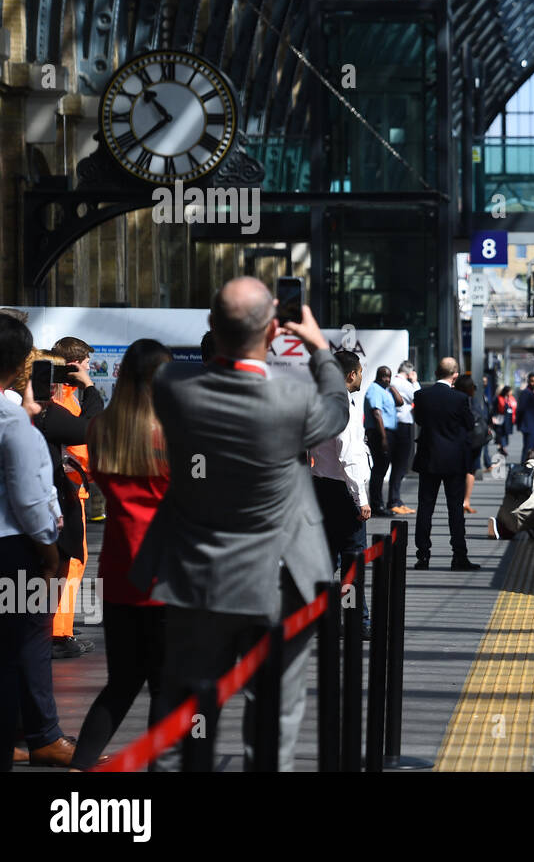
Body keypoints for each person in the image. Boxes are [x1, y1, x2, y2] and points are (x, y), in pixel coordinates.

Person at [128, 277, 348, 771]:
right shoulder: (292, 400)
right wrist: (319, 349)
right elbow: (336, 410)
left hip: (197, 576)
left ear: (210, 325)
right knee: (273, 716)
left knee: (182, 714)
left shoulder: (173, 390)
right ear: (274, 329)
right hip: (281, 578)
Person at [69, 339, 173, 771]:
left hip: (118, 568)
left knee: (121, 683)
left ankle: (80, 767)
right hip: (167, 573)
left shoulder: (103, 429)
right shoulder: (176, 434)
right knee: (167, 689)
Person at [0, 315, 63, 772]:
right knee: (28, 643)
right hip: (16, 551)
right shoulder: (15, 426)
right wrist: (49, 552)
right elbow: (30, 498)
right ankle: (41, 735)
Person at [310, 350, 372, 639]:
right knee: (352, 558)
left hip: (320, 487)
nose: (361, 376)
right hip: (342, 491)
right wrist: (362, 499)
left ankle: (316, 616)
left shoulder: (319, 400)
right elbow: (348, 457)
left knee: (324, 558)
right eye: (360, 371)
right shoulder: (341, 406)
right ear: (351, 375)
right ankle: (357, 620)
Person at [48, 337, 103, 657]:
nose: (88, 367)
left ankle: (59, 626)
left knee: (64, 563)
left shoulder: (62, 397)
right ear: (73, 365)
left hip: (67, 488)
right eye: (84, 362)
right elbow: (85, 439)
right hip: (69, 490)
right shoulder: (66, 401)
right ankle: (58, 632)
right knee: (71, 564)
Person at [411, 357, 478, 571]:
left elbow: (419, 421)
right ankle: (459, 556)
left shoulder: (421, 395)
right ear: (455, 376)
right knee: (455, 509)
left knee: (425, 508)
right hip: (454, 462)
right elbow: (469, 424)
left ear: (436, 372)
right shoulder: (459, 399)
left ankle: (423, 556)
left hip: (429, 459)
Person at [486, 450, 534, 542]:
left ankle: (499, 527)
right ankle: (531, 525)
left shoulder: (515, 469)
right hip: (523, 515)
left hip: (503, 514)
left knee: (509, 529)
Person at [363, 366, 397, 517]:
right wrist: (383, 438)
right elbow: (377, 414)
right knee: (379, 469)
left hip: (385, 433)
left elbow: (400, 403)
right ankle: (377, 505)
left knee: (382, 469)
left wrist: (393, 389)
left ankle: (378, 503)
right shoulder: (375, 389)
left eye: (389, 376)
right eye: (384, 376)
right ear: (378, 376)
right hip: (379, 433)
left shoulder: (385, 390)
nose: (387, 379)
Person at [386, 362, 417, 515]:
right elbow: (418, 397)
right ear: (409, 372)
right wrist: (415, 381)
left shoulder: (391, 382)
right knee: (401, 464)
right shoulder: (405, 384)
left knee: (397, 465)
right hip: (404, 424)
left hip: (392, 425)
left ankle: (396, 499)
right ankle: (394, 500)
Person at [453, 374, 487, 514]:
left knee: (460, 470)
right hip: (474, 440)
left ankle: (461, 501)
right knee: (470, 469)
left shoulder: (454, 400)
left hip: (460, 440)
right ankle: (465, 500)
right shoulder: (473, 401)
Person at [515, 374, 534, 463]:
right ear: (528, 381)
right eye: (532, 381)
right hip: (528, 425)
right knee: (528, 448)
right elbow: (520, 409)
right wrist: (519, 424)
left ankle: (526, 466)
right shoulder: (526, 393)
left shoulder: (531, 393)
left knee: (529, 448)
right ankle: (524, 467)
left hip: (532, 425)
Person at [491, 386, 515, 459]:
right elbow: (494, 408)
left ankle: (501, 447)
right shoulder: (498, 398)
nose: (511, 393)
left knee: (504, 434)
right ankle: (501, 447)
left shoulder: (509, 398)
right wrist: (493, 417)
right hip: (499, 419)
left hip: (507, 420)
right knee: (500, 434)